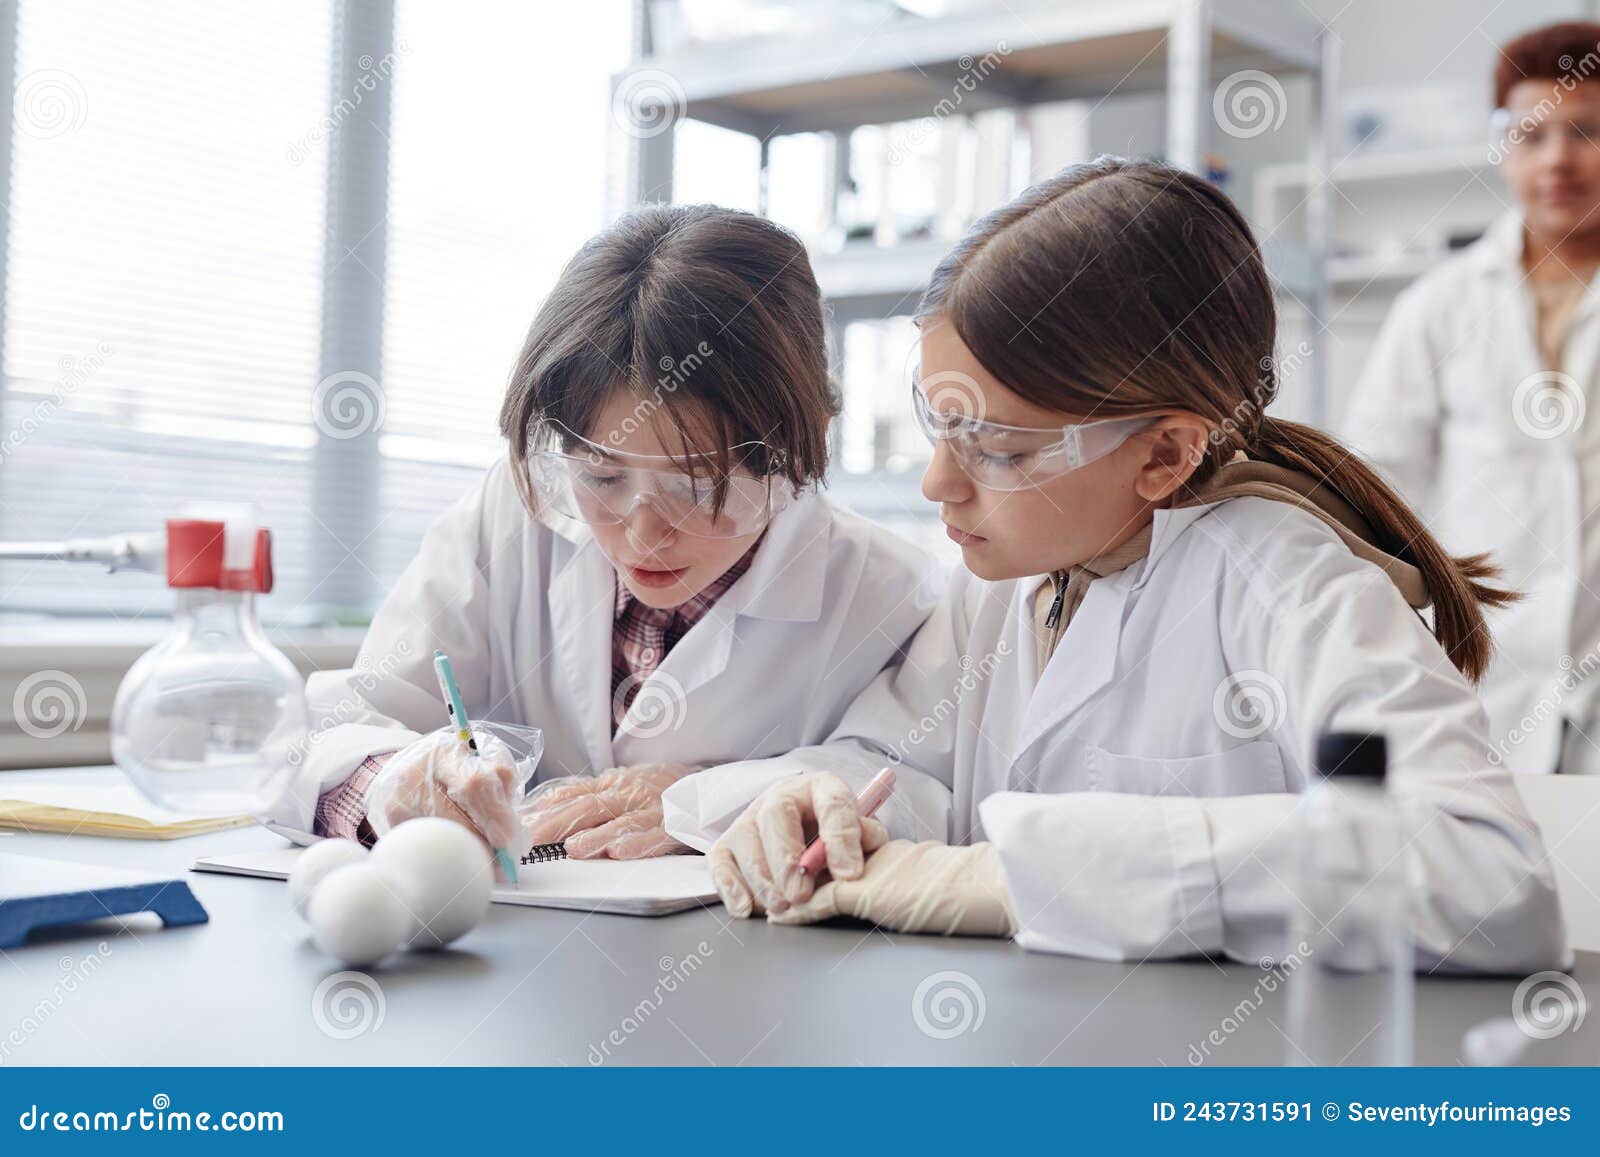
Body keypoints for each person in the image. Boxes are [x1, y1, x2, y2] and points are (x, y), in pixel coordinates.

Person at [663, 158, 1570, 973]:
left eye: (999, 450)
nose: (941, 481)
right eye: (938, 423)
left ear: (1166, 454)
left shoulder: (1287, 579)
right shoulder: (1021, 568)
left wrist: (1024, 877)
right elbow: (907, 763)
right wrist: (821, 803)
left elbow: (1489, 875)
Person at [267, 204, 950, 861]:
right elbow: (325, 732)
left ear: (801, 450)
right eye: (602, 477)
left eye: (698, 487)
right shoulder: (512, 520)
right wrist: (397, 783)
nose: (644, 535)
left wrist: (702, 799)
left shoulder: (891, 595)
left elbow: (918, 790)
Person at [1344, 21, 1600, 774]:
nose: (1557, 158)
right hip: (1482, 680)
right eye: (1531, 134)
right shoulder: (1440, 305)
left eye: (1585, 130)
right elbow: (1374, 488)